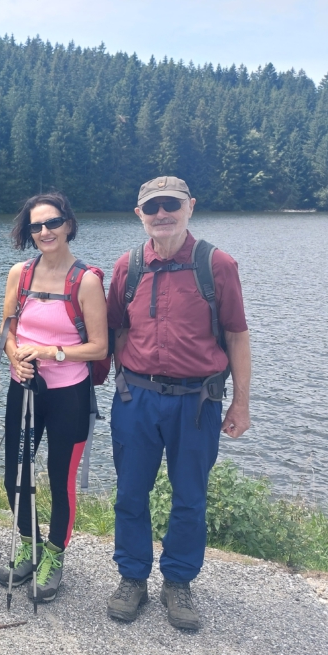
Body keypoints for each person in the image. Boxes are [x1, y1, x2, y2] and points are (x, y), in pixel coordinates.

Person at [105, 176, 251, 630]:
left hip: (196, 402)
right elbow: (114, 332)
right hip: (137, 399)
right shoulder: (127, 267)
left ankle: (178, 581)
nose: (162, 214)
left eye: (171, 205)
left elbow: (237, 336)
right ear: (139, 215)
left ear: (190, 207)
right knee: (130, 493)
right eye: (153, 207)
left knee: (189, 496)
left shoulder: (217, 264)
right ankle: (133, 577)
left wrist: (241, 403)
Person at [0, 193, 108, 602]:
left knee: (61, 481)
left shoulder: (86, 280)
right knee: (16, 475)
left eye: (53, 223)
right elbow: (7, 333)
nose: (45, 232)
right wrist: (15, 358)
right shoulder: (19, 275)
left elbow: (99, 347)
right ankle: (30, 543)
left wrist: (51, 352)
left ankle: (55, 557)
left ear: (69, 224)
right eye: (36, 227)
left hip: (69, 395)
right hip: (24, 389)